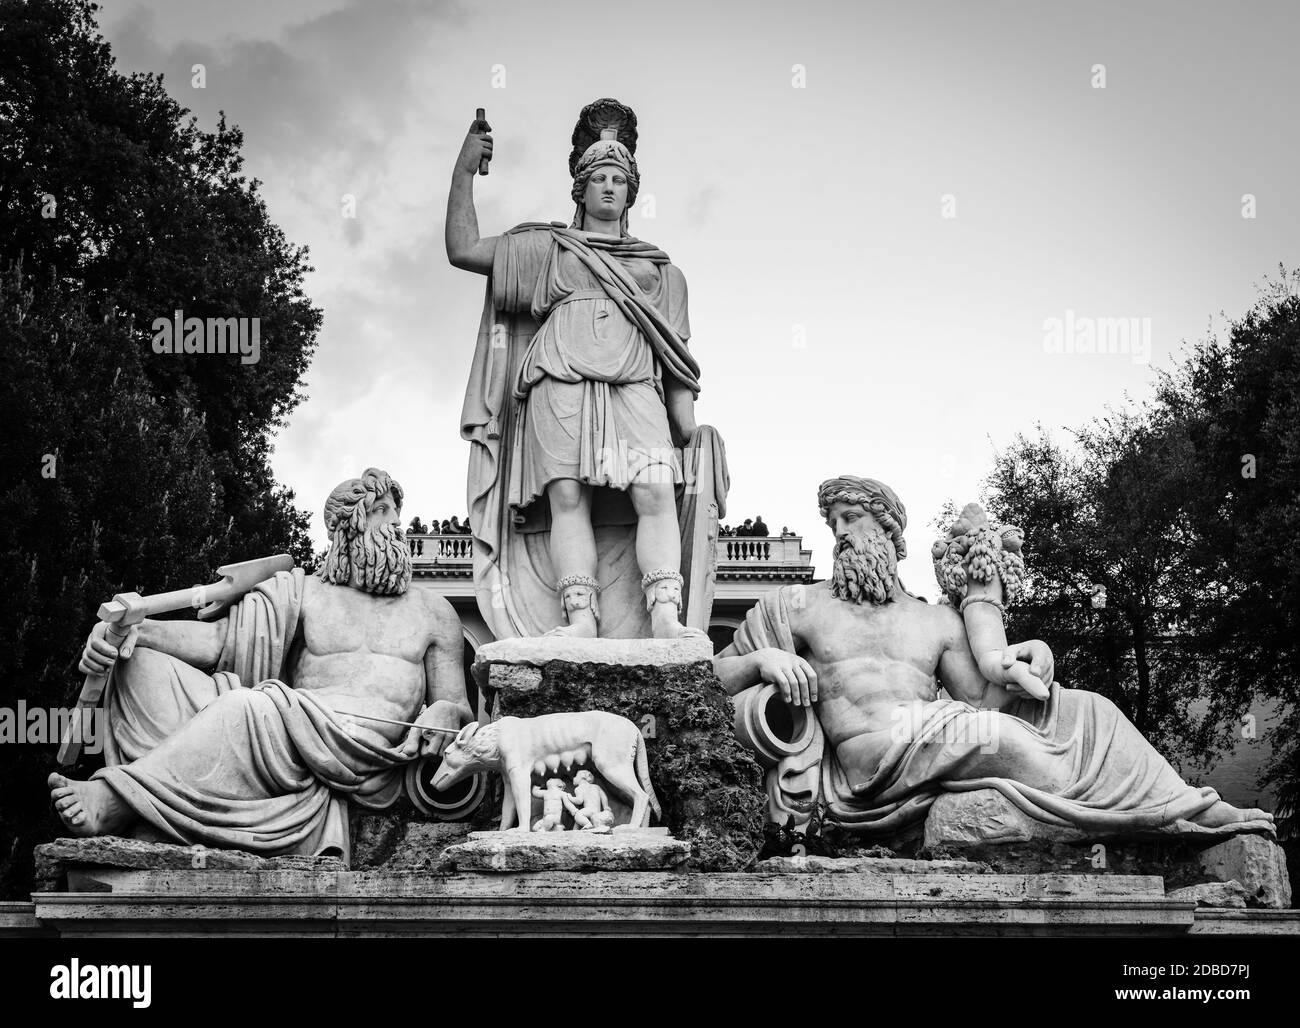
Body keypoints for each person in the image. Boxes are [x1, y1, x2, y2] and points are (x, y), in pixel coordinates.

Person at [713, 475, 1273, 838]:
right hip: (870, 761)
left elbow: (985, 697)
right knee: (992, 737)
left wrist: (1032, 655)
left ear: (888, 530)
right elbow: (711, 679)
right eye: (832, 522)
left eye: (849, 519)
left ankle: (1186, 804)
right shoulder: (798, 607)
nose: (838, 534)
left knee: (1090, 709)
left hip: (940, 731)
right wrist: (761, 662)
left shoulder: (936, 620)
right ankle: (1164, 821)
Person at [48, 469, 473, 858]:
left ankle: (116, 800)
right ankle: (161, 810)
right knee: (140, 665)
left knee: (247, 707)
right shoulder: (303, 593)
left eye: (396, 512)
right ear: (346, 528)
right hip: (291, 724)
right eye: (380, 512)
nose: (395, 523)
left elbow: (459, 709)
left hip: (363, 747)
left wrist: (446, 710)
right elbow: (219, 643)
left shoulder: (433, 611)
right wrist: (133, 632)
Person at [447, 98, 720, 641]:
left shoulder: (664, 272)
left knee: (655, 491)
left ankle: (665, 614)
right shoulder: (548, 250)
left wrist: (691, 432)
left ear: (632, 190)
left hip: (634, 383)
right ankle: (579, 619)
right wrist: (463, 169)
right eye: (599, 177)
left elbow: (676, 366)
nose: (609, 187)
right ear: (581, 187)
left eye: (619, 177)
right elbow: (463, 249)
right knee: (568, 497)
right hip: (558, 379)